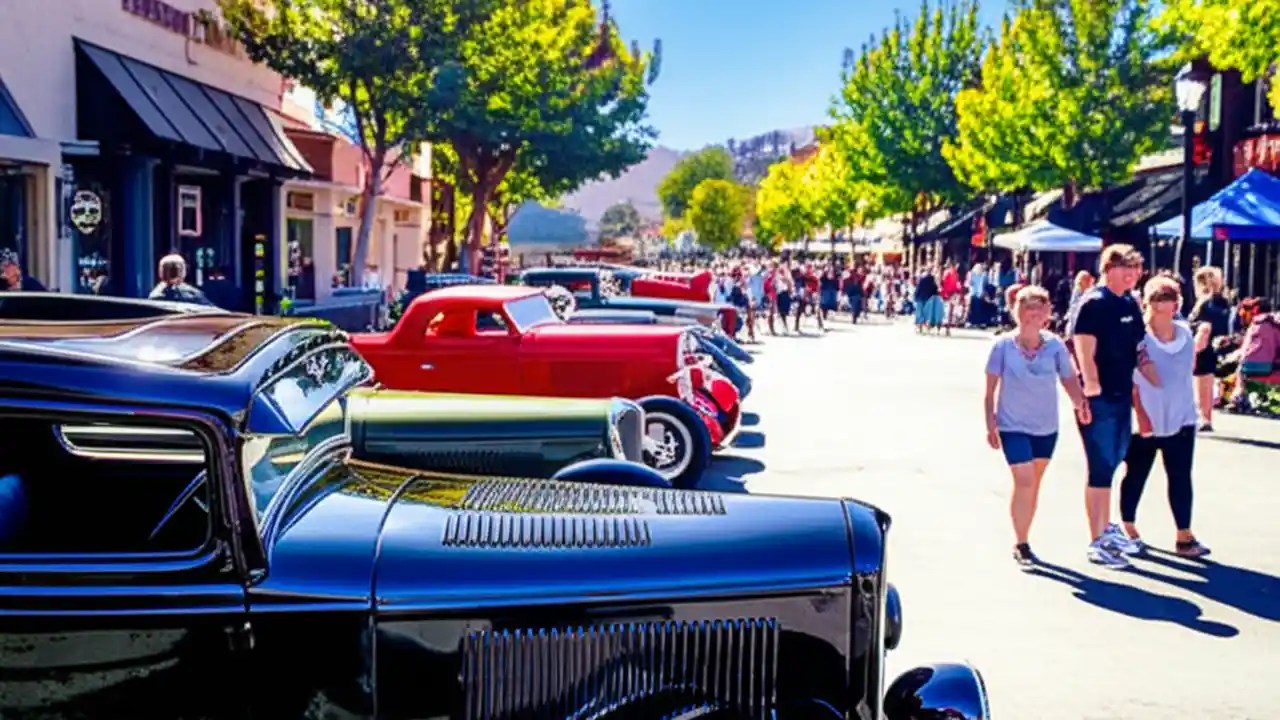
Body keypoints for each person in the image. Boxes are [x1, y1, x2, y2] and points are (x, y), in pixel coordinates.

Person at [985, 285, 1090, 566]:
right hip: (1012, 425)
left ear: (1047, 314)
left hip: (1045, 427)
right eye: (1026, 309)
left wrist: (1080, 403)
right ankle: (1021, 543)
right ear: (1016, 312)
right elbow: (990, 389)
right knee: (1025, 480)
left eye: (1038, 309)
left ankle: (1024, 532)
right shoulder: (1002, 346)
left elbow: (1068, 378)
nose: (1032, 315)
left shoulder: (1054, 345)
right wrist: (990, 422)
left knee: (1033, 484)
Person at [1071, 244, 1154, 569]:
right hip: (1100, 396)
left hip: (1122, 394)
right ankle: (1097, 539)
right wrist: (1090, 387)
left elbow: (1138, 347)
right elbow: (1083, 346)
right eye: (1125, 268)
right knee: (1101, 465)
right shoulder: (1094, 302)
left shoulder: (1129, 304)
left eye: (1135, 268)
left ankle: (1107, 530)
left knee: (1115, 458)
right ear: (1109, 269)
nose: (1132, 274)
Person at [1119, 276, 1210, 558]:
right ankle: (1128, 528)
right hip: (1146, 420)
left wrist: (1201, 340)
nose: (1168, 303)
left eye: (1171, 297)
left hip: (1181, 417)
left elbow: (1188, 367)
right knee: (1136, 474)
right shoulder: (1139, 338)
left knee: (1181, 476)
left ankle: (1184, 535)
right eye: (1160, 298)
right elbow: (1132, 382)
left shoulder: (1184, 334)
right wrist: (1142, 417)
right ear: (1149, 303)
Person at [1187, 266, 1231, 431]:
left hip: (1203, 346)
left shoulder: (1204, 304)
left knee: (1202, 383)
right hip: (1218, 344)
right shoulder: (1223, 301)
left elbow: (1202, 327)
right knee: (1208, 381)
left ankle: (1204, 417)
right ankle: (1206, 416)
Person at [149, 254, 213, 305]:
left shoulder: (153, 295)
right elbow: (211, 312)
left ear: (161, 271)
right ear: (182, 271)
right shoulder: (193, 295)